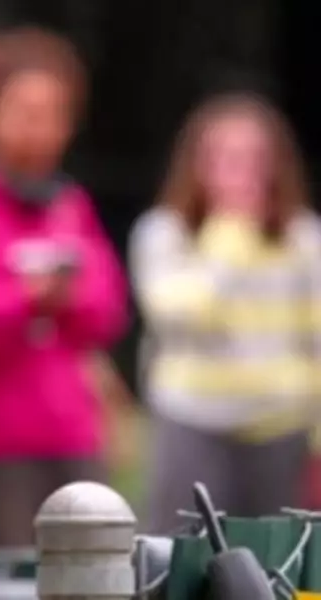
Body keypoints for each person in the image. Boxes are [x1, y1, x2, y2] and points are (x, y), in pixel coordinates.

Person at [0, 27, 129, 554]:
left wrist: (67, 300)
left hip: (72, 441)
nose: (43, 130)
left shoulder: (68, 204)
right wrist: (21, 301)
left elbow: (108, 312)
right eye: (26, 112)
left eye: (55, 114)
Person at [129, 92, 321, 533]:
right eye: (224, 158)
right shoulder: (164, 233)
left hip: (281, 428)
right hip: (192, 421)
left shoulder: (303, 238)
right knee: (181, 556)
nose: (240, 173)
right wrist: (229, 236)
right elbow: (178, 317)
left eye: (254, 159)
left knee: (276, 565)